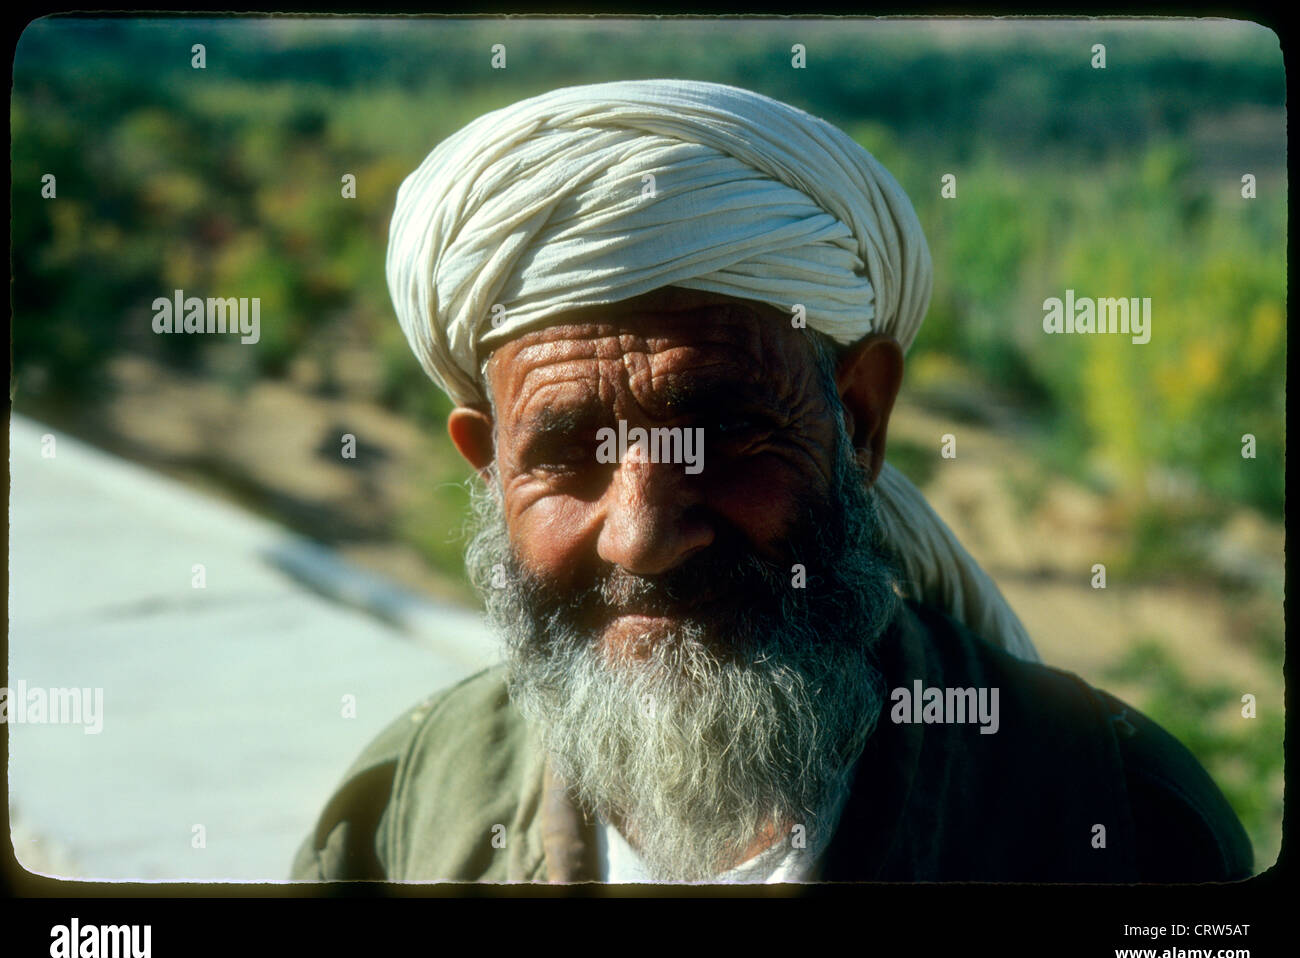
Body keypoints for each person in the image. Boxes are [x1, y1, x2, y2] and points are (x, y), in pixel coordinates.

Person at [291, 80, 1251, 884]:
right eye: (569, 452)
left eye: (722, 432)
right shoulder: (403, 817)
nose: (642, 535)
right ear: (489, 463)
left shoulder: (1119, 822)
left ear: (859, 421)